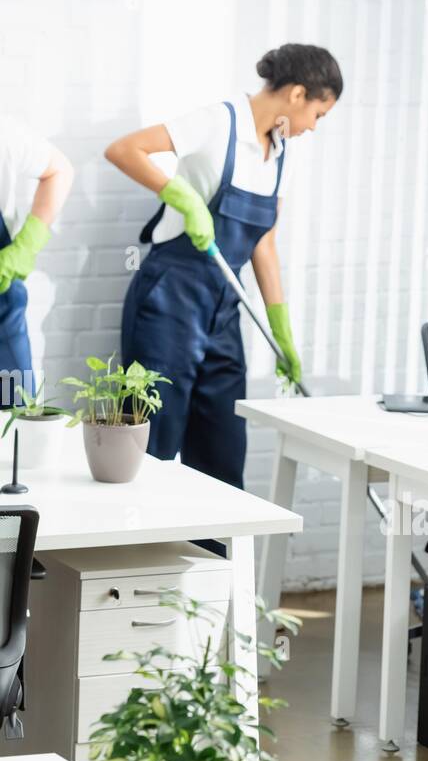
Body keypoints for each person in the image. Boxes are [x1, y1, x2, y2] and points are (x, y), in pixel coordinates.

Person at [105, 43, 342, 488]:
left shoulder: (281, 153)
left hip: (223, 310)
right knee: (151, 446)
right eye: (319, 114)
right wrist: (183, 198)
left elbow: (264, 244)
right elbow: (124, 150)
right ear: (296, 94)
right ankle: (136, 550)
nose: (313, 127)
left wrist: (280, 329)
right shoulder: (219, 122)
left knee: (223, 453)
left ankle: (214, 556)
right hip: (167, 302)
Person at [0, 118, 74, 407]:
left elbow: (60, 170)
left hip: (1, 309)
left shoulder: (6, 135)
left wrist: (26, 247)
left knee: (16, 419)